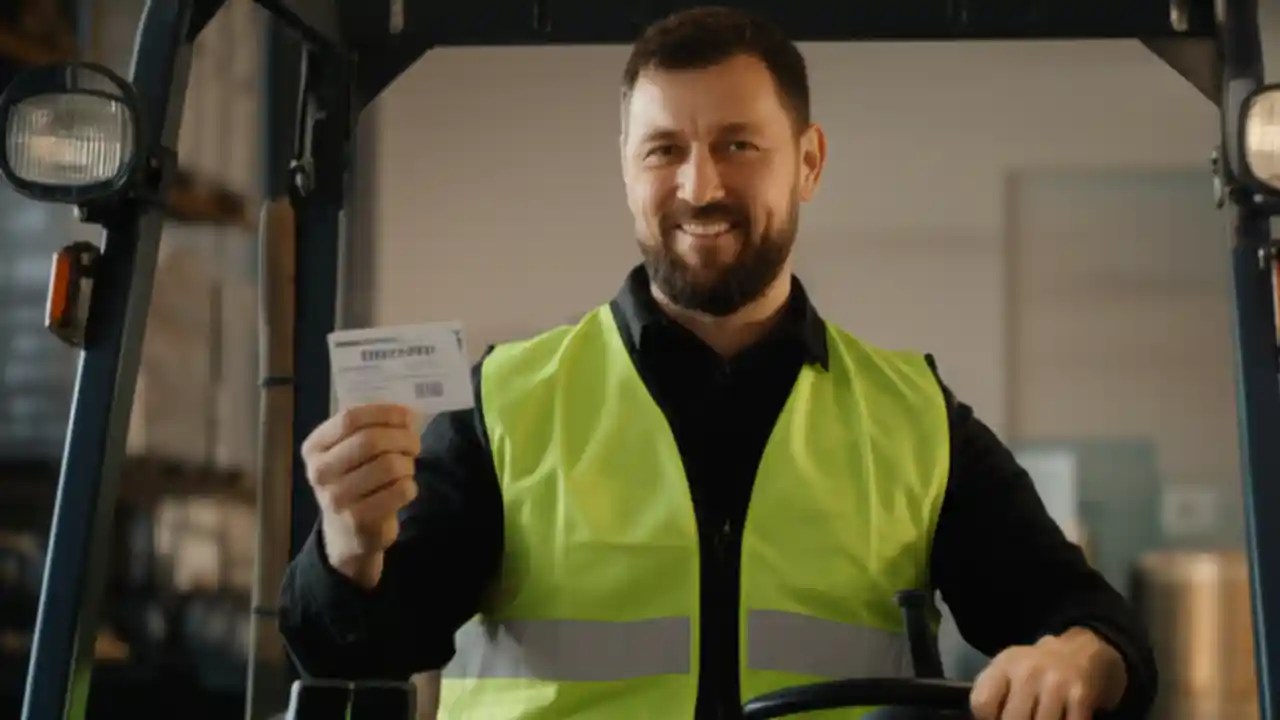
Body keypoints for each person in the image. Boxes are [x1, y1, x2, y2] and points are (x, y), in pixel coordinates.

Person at [278, 7, 1158, 719]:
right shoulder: (509, 407)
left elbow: (1089, 621)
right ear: (626, 171)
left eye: (739, 145)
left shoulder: (913, 418)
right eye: (664, 149)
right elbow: (355, 652)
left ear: (807, 162)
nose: (699, 187)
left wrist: (1081, 656)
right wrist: (349, 549)